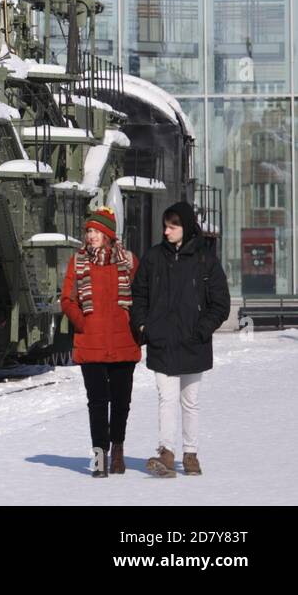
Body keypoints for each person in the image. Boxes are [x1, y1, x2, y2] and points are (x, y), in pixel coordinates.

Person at [130, 201, 231, 477]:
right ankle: (166, 452)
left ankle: (190, 454)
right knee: (166, 398)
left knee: (190, 401)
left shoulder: (205, 259)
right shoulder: (153, 257)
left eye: (172, 226)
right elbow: (138, 295)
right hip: (161, 341)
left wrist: (202, 330)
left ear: (185, 227)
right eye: (165, 226)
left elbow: (221, 303)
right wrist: (143, 327)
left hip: (193, 342)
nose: (166, 231)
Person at [60, 206, 140, 478]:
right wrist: (83, 323)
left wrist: (137, 325)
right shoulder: (78, 262)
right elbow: (68, 300)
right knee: (97, 401)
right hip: (91, 343)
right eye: (89, 231)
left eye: (96, 231)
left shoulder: (128, 262)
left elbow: (141, 297)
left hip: (123, 342)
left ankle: (117, 450)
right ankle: (99, 456)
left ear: (108, 234)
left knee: (121, 401)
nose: (91, 236)